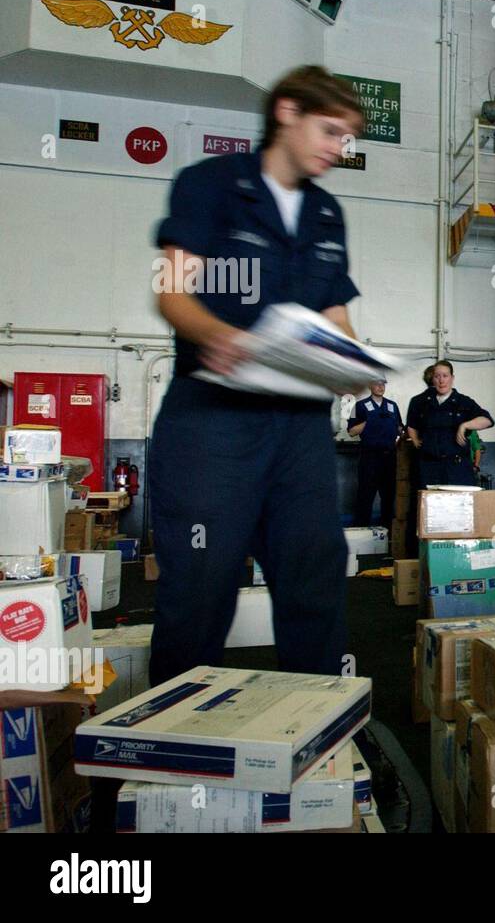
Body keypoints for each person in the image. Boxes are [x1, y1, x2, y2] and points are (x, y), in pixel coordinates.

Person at [147, 66, 366, 686]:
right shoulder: (209, 185)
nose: (337, 148)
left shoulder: (327, 213)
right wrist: (218, 335)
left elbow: (336, 317)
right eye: (329, 130)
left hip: (299, 426)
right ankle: (176, 753)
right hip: (212, 422)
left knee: (313, 579)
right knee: (201, 586)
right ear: (287, 112)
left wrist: (353, 363)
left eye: (347, 138)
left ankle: (320, 737)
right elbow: (171, 293)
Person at [406, 360, 494, 493]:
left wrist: (465, 425)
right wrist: (415, 440)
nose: (441, 380)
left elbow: (488, 420)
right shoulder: (419, 402)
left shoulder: (463, 402)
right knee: (428, 510)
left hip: (457, 470)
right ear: (433, 379)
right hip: (428, 469)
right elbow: (411, 425)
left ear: (452, 378)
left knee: (458, 510)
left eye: (445, 376)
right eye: (437, 376)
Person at [348, 379, 403, 526]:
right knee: (365, 496)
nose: (380, 387)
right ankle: (361, 533)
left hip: (389, 458)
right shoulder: (358, 406)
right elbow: (351, 431)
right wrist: (368, 422)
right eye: (377, 383)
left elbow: (400, 429)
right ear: (369, 385)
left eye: (383, 384)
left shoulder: (392, 406)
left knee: (389, 497)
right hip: (369, 458)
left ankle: (388, 536)